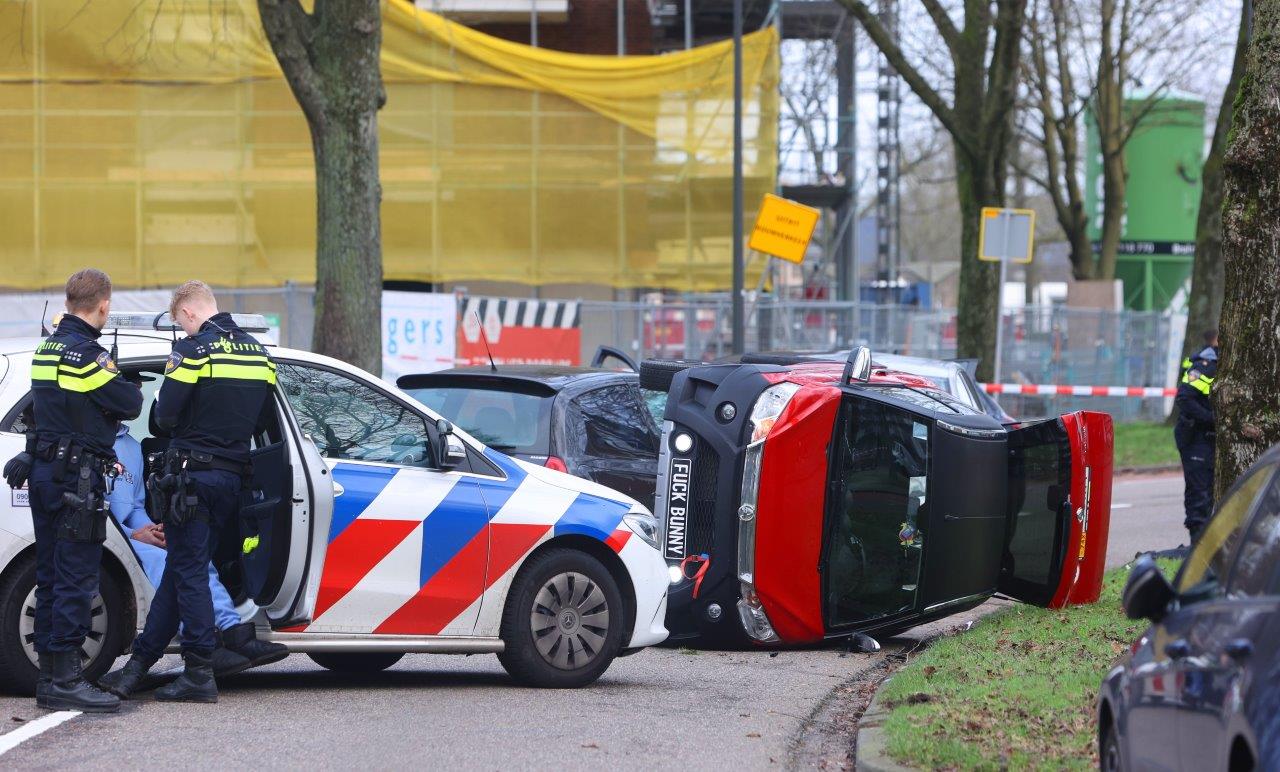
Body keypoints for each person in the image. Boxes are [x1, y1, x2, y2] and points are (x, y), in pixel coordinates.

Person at [105, 281, 277, 703]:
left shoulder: (193, 350)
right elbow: (260, 423)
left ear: (187, 315)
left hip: (192, 480)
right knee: (185, 567)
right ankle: (138, 668)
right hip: (232, 482)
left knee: (189, 572)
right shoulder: (260, 355)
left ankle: (200, 667)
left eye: (181, 325)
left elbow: (163, 417)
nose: (183, 332)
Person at [2, 269, 142, 712]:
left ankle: (51, 677)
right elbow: (131, 404)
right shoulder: (88, 355)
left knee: (51, 575)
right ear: (103, 306)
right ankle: (65, 678)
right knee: (76, 579)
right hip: (75, 480)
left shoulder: (47, 349)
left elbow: (51, 410)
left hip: (46, 474)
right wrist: (121, 382)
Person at [105, 372, 287, 680]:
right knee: (169, 561)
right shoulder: (90, 443)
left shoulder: (132, 448)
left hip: (132, 532)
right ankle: (206, 644)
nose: (137, 391)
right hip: (107, 536)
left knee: (189, 553)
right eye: (130, 385)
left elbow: (133, 506)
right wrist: (132, 535)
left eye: (138, 386)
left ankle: (232, 632)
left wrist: (151, 529)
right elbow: (95, 507)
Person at [1174, 339, 1218, 543]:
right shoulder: (1204, 366)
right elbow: (1184, 398)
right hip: (1196, 439)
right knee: (1199, 494)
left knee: (1209, 492)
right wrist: (1213, 421)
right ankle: (1197, 547)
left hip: (1207, 439)